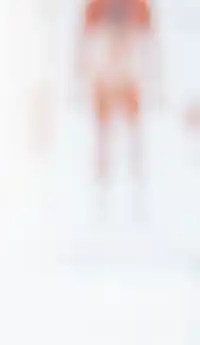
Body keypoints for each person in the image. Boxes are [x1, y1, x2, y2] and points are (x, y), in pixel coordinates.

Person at [78, 0, 156, 205]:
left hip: (128, 71)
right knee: (104, 135)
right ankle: (101, 192)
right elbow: (85, 39)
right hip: (106, 71)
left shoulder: (138, 5)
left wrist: (153, 78)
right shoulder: (96, 6)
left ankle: (137, 190)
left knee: (133, 133)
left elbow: (149, 40)